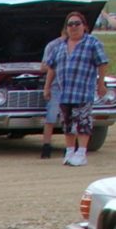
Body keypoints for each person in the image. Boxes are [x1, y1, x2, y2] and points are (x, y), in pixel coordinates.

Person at [44, 11, 109, 166]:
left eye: (77, 23)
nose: (73, 27)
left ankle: (81, 154)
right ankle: (70, 151)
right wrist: (47, 87)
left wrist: (101, 84)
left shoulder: (92, 43)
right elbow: (52, 68)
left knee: (82, 123)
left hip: (83, 92)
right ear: (66, 28)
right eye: (70, 24)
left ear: (84, 26)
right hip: (64, 93)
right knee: (67, 124)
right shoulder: (59, 46)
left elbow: (102, 63)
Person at [40, 33, 65, 159]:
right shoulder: (54, 45)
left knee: (70, 118)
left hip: (73, 87)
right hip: (56, 86)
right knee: (51, 117)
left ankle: (71, 148)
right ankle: (46, 147)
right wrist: (47, 87)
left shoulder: (81, 44)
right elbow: (44, 67)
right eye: (70, 25)